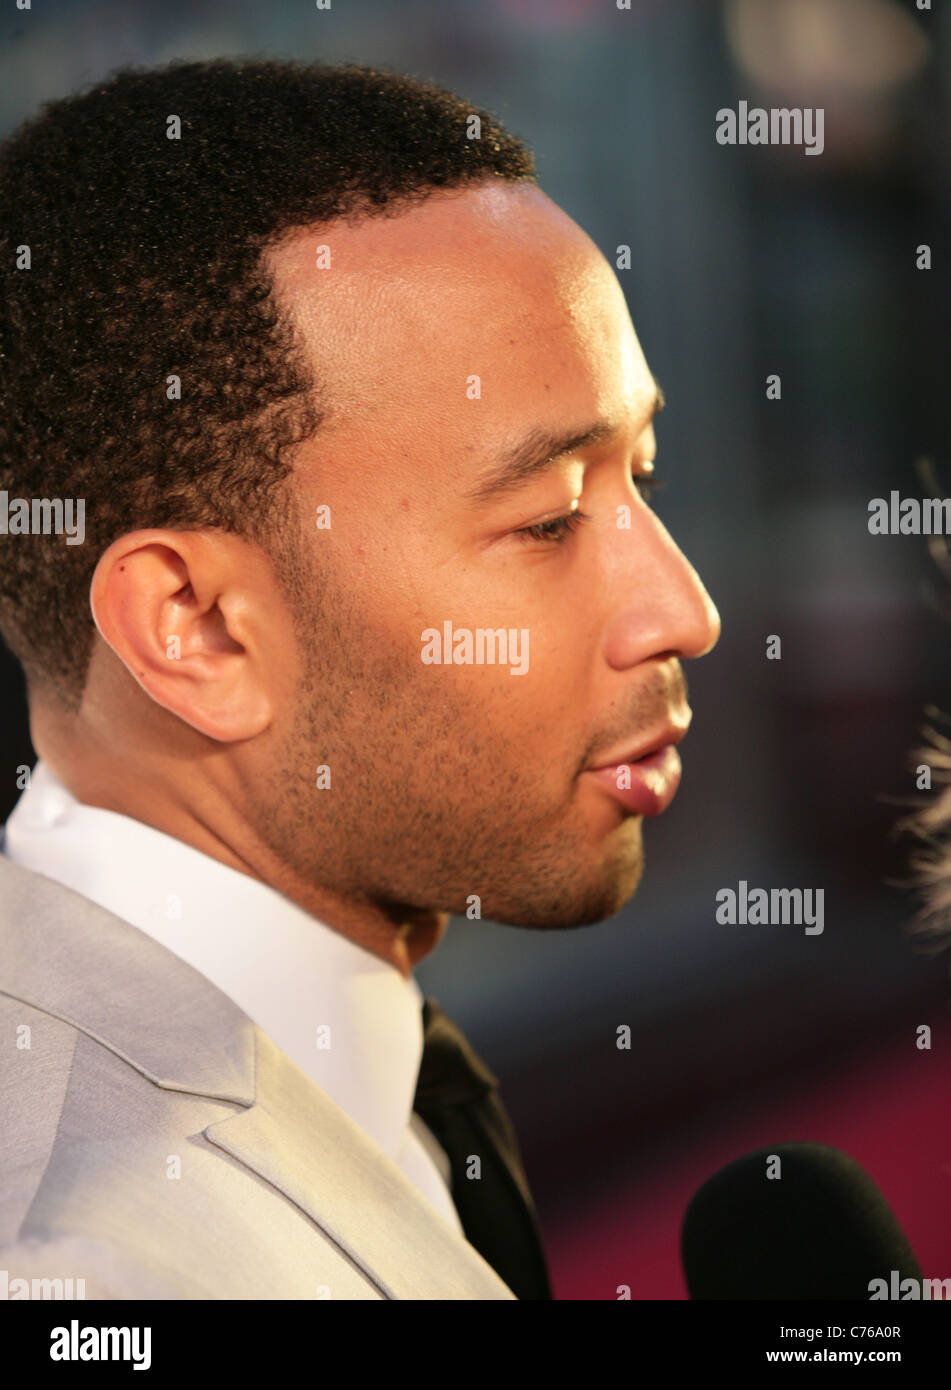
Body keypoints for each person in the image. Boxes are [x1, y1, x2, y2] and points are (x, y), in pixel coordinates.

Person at [0, 58, 720, 1300]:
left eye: (640, 474)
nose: (689, 614)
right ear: (197, 626)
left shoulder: (337, 1068)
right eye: (549, 518)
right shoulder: (94, 1271)